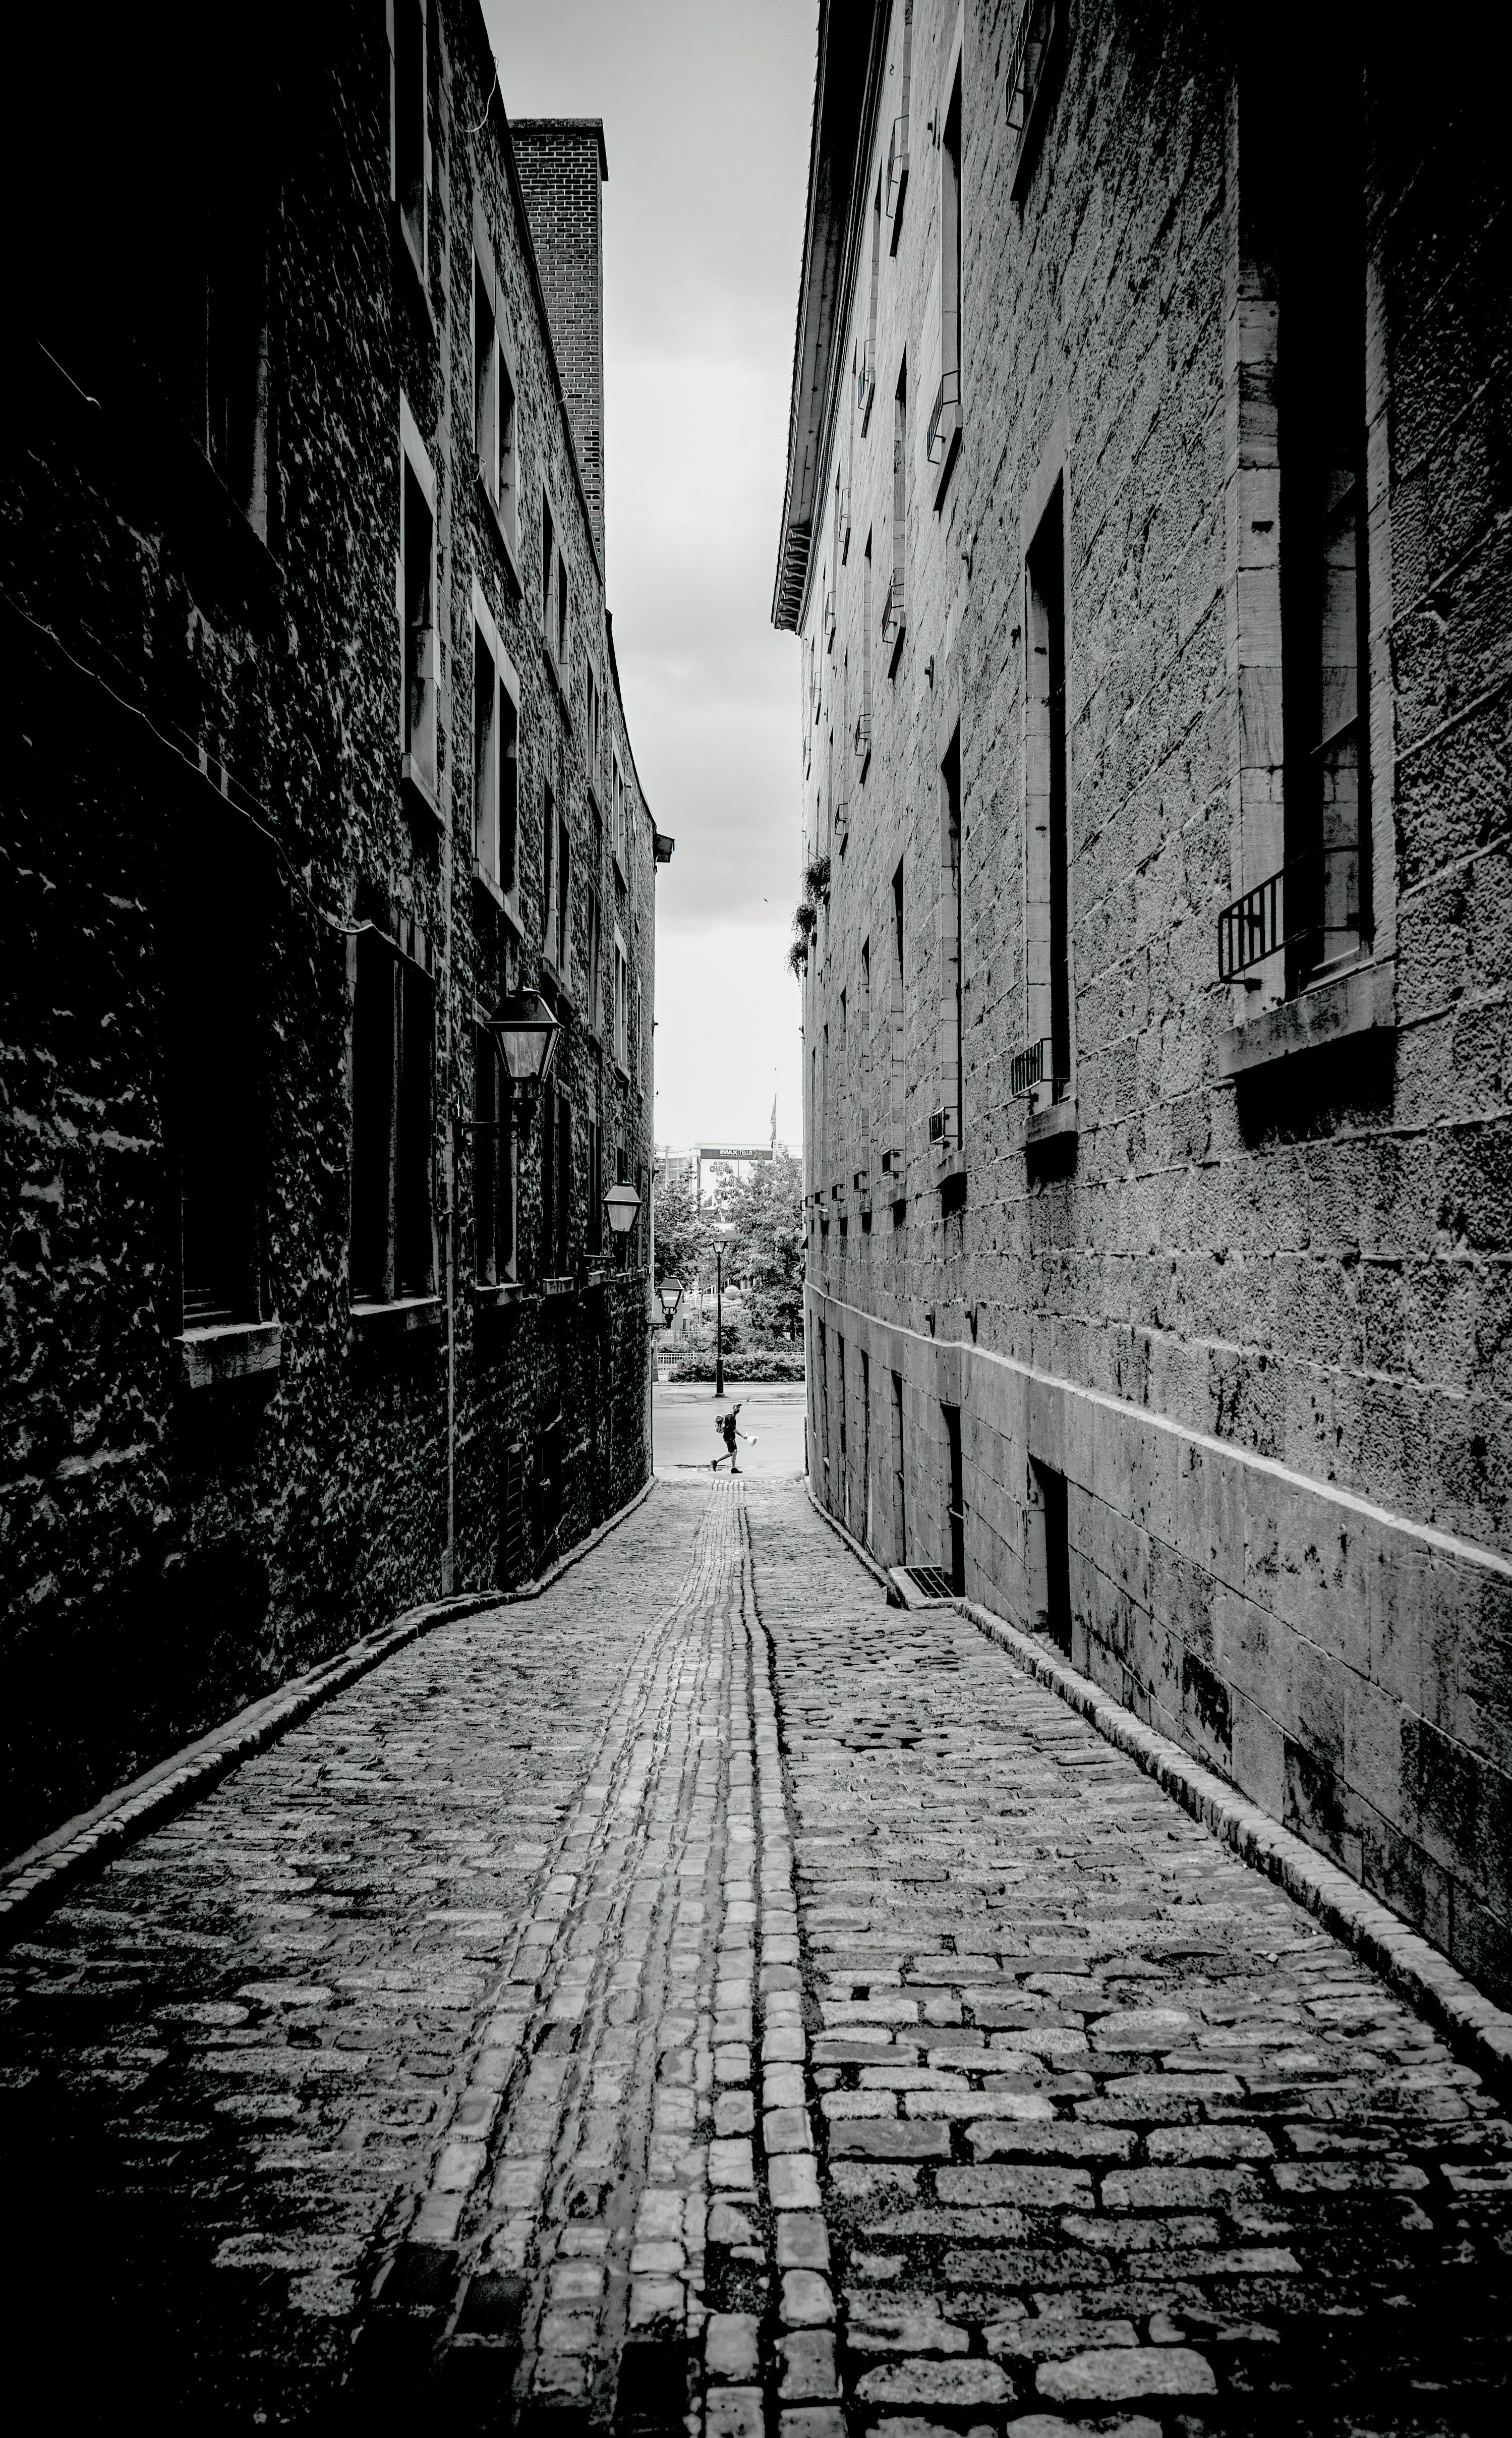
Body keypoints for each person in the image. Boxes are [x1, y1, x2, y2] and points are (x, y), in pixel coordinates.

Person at [712, 1403, 747, 1474]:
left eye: (740, 1407)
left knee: (735, 1452)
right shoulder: (730, 1417)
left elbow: (733, 1428)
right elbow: (733, 1429)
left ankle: (733, 1469)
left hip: (731, 1436)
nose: (739, 1409)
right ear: (734, 1407)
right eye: (737, 1407)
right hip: (728, 1437)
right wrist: (742, 1436)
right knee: (731, 1453)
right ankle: (715, 1462)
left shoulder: (732, 1416)